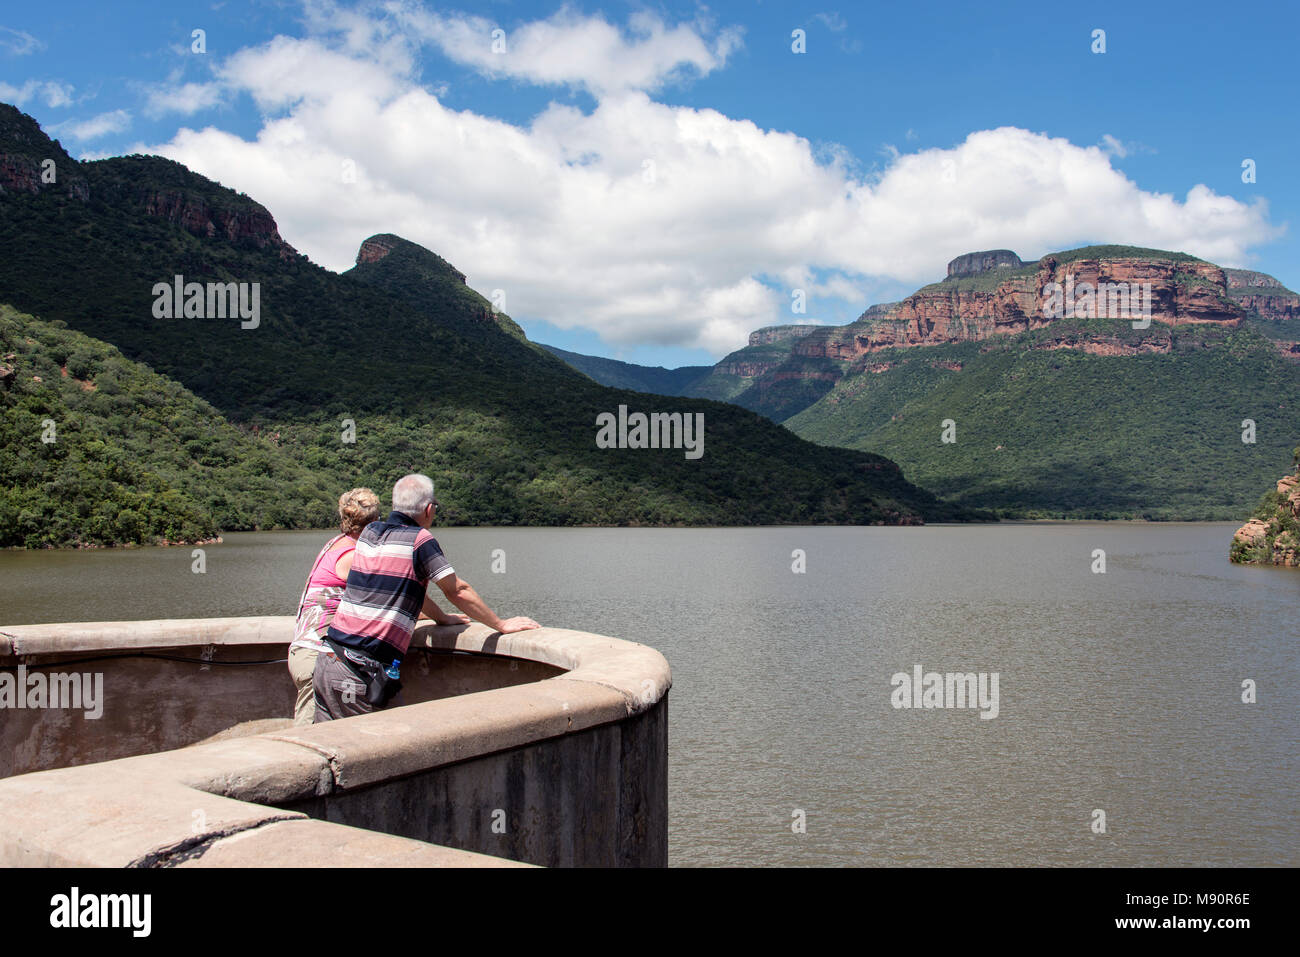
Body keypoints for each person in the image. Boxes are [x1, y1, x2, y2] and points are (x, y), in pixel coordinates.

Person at [313, 473, 540, 722]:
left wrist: (441, 618)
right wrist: (501, 625)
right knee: (376, 749)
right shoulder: (420, 540)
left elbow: (404, 589)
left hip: (329, 660)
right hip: (360, 670)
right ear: (429, 509)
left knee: (340, 747)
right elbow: (456, 590)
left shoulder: (370, 534)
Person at [289, 487, 466, 725]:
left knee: (323, 729)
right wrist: (441, 618)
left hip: (305, 648)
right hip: (321, 651)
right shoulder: (356, 554)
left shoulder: (335, 544)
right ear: (374, 521)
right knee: (313, 734)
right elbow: (407, 589)